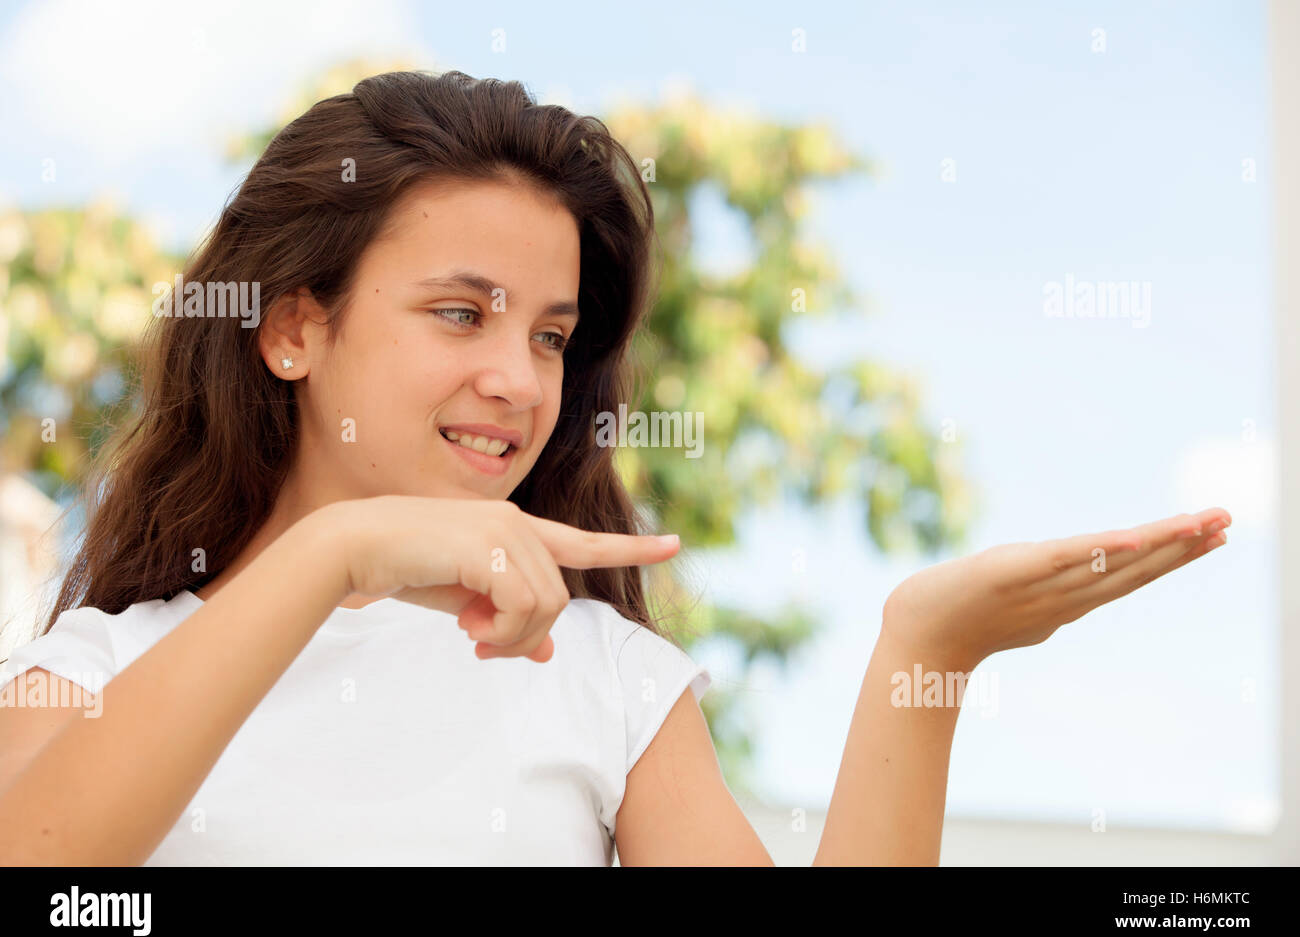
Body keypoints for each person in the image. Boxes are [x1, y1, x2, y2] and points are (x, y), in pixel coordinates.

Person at [0, 70, 1230, 866]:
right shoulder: (96, 667)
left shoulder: (605, 680)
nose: (522, 381)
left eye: (548, 333)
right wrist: (335, 554)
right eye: (459, 312)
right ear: (292, 328)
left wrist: (925, 654)